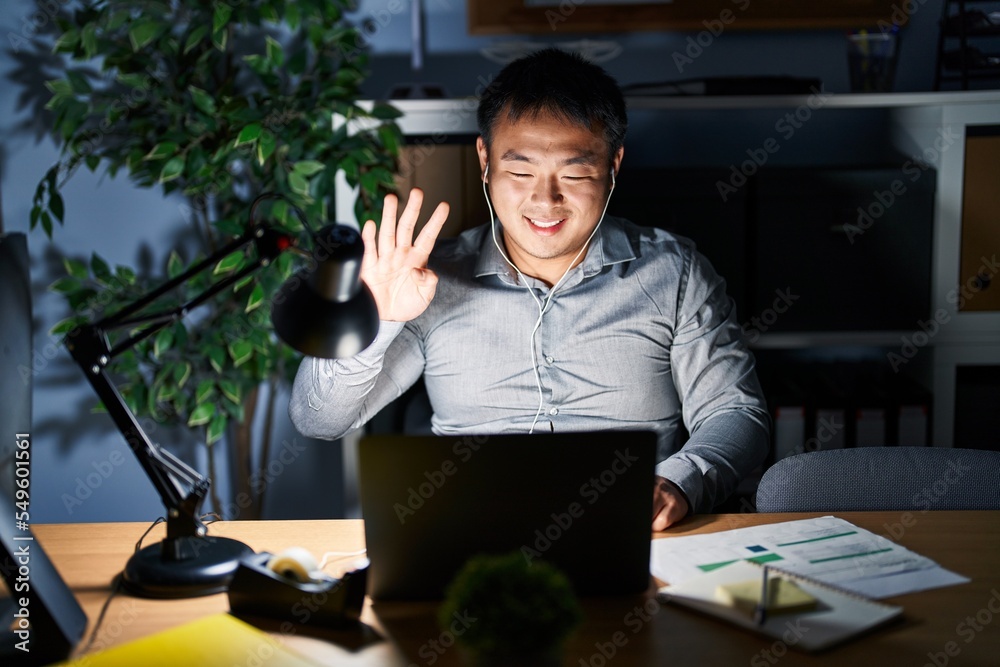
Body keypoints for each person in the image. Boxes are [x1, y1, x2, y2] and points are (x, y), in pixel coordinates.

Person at [289, 48, 770, 529]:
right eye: (520, 172)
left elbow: (737, 413)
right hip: (470, 537)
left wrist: (677, 482)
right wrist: (377, 318)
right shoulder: (427, 281)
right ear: (484, 160)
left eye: (575, 173)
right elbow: (319, 421)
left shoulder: (675, 273)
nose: (545, 201)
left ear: (613, 165)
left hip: (635, 535)